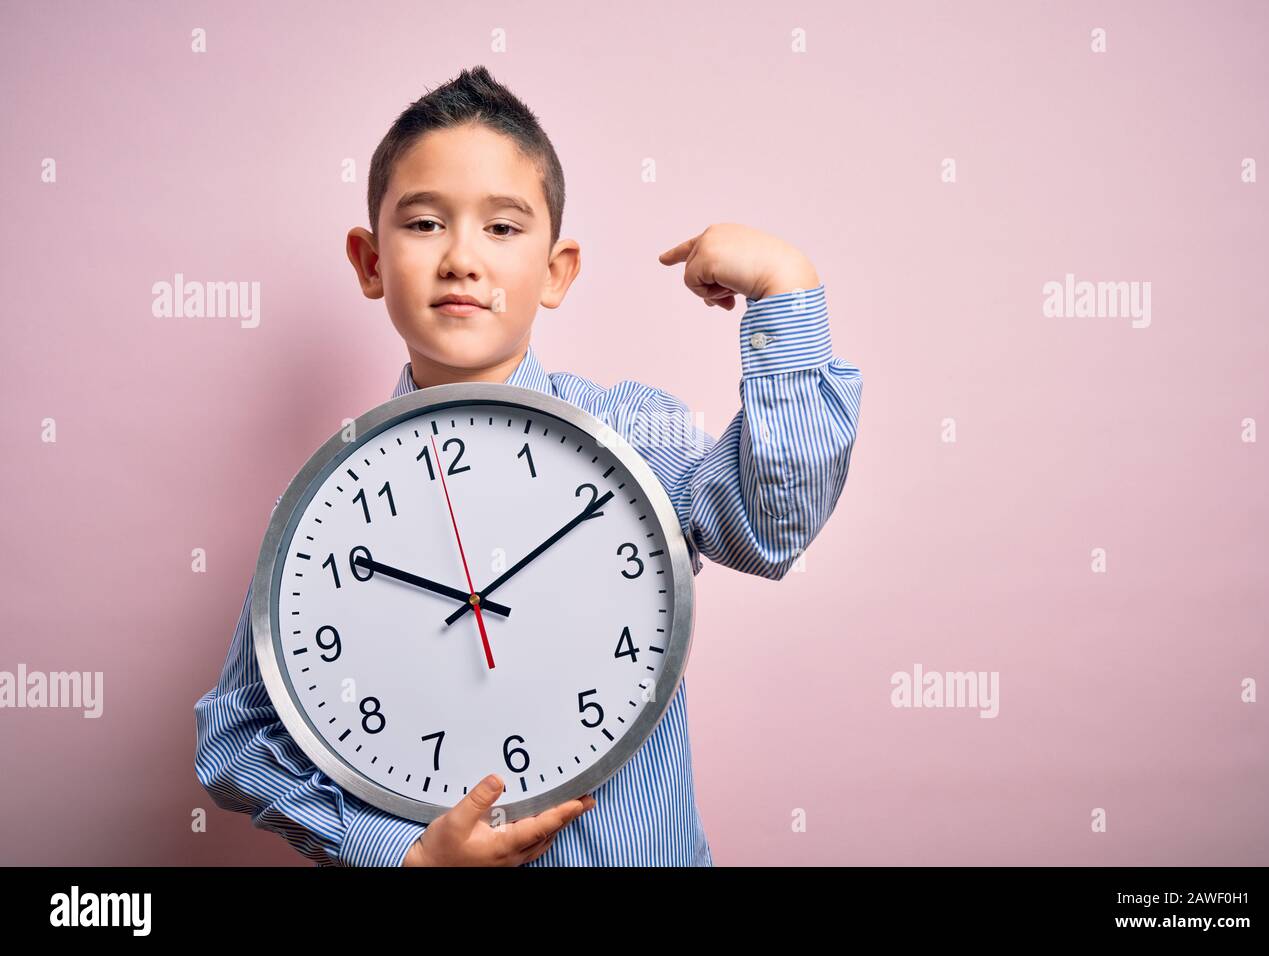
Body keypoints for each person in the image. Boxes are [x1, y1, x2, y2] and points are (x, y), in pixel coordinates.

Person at [194, 65, 863, 866]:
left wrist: (785, 295)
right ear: (370, 263)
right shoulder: (325, 501)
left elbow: (769, 529)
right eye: (425, 224)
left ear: (556, 270)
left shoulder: (630, 431)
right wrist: (398, 855)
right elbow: (234, 735)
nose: (462, 259)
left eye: (503, 229)